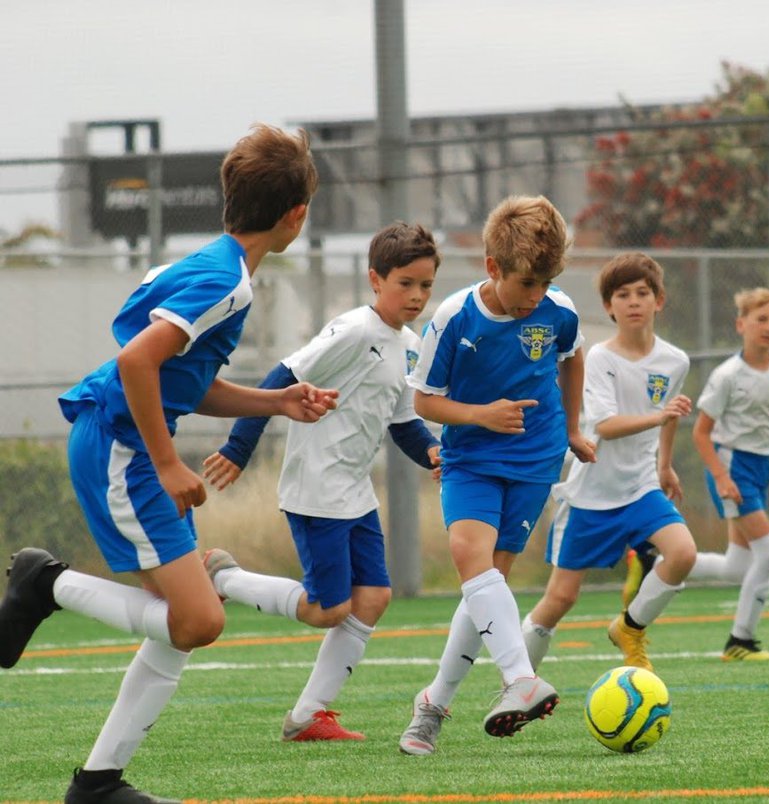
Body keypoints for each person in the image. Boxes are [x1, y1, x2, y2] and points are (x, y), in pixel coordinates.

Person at [0, 125, 332, 803]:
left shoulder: (214, 265)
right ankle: (45, 584)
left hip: (120, 439)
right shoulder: (226, 282)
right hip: (122, 449)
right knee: (199, 620)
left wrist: (275, 401)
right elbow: (136, 362)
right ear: (296, 215)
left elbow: (182, 380)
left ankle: (99, 783)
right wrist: (167, 462)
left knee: (180, 617)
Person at [199, 221, 442, 742]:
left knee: (373, 597)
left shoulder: (411, 345)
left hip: (354, 490)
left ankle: (308, 715)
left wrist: (432, 454)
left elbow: (403, 422)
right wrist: (239, 447)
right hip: (316, 487)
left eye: (426, 285)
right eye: (405, 283)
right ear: (375, 279)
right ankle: (224, 579)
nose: (417, 296)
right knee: (327, 609)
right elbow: (281, 378)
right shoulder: (353, 330)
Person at [397, 195, 596, 756]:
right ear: (493, 267)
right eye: (527, 283)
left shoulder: (558, 310)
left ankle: (432, 704)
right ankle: (520, 679)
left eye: (546, 283)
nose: (536, 296)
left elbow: (573, 357)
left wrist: (573, 429)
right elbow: (424, 402)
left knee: (486, 587)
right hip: (471, 458)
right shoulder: (454, 318)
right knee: (470, 556)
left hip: (536, 459)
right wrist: (482, 415)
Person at [522, 252, 696, 675]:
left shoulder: (675, 360)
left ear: (659, 300)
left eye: (642, 293)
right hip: (591, 495)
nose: (633, 301)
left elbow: (670, 413)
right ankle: (519, 679)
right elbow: (606, 425)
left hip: (640, 487)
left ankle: (629, 628)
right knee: (560, 599)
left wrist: (665, 465)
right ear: (608, 306)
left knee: (682, 554)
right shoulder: (599, 358)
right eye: (622, 294)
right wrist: (659, 417)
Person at [686, 287, 769, 660]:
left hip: (760, 467)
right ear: (741, 325)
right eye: (761, 319)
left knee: (737, 565)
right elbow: (701, 433)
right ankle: (740, 640)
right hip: (732, 466)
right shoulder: (727, 375)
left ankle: (657, 565)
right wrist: (722, 478)